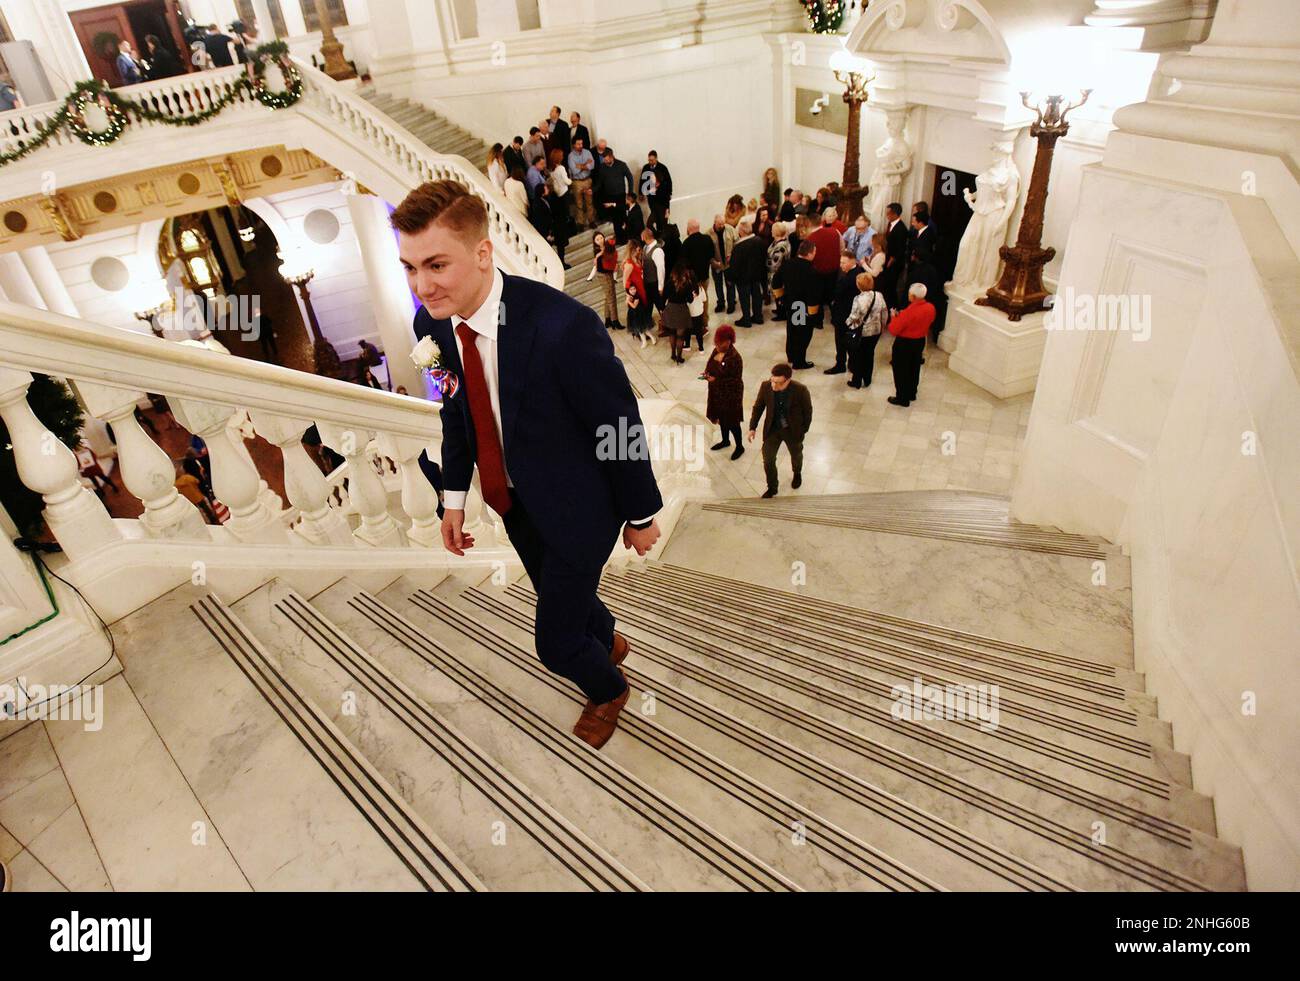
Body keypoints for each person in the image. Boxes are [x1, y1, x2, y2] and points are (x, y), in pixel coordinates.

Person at [397, 180, 662, 750]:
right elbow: (456, 412)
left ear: (483, 253)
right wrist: (453, 497)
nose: (422, 285)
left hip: (580, 507)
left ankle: (609, 686)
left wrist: (640, 513)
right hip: (513, 503)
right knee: (564, 596)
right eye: (411, 267)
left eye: (436, 264)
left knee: (556, 641)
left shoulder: (562, 327)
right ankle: (609, 639)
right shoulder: (432, 328)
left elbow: (617, 424)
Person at [748, 363, 812, 498]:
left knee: (796, 455)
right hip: (773, 429)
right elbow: (758, 407)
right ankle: (772, 487)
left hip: (792, 430)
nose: (774, 386)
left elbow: (808, 412)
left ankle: (797, 473)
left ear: (788, 380)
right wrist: (752, 427)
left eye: (779, 383)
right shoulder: (766, 386)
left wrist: (803, 430)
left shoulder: (800, 390)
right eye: (773, 381)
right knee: (768, 459)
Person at [772, 239, 819, 369]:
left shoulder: (787, 264)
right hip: (802, 307)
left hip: (790, 303)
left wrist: (781, 298)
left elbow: (776, 281)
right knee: (803, 334)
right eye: (814, 252)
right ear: (809, 254)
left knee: (791, 330)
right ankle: (799, 362)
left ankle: (791, 355)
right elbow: (813, 294)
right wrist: (812, 313)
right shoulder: (811, 271)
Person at [887, 283, 935, 406]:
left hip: (904, 343)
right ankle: (912, 392)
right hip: (919, 341)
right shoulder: (930, 307)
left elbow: (893, 330)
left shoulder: (909, 312)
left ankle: (902, 398)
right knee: (914, 367)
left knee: (901, 370)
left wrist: (894, 317)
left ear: (913, 296)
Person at [705, 324, 745, 459]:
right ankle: (725, 440)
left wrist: (715, 379)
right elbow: (709, 366)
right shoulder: (717, 351)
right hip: (717, 393)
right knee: (722, 419)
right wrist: (707, 374)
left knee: (732, 422)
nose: (716, 346)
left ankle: (740, 446)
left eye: (719, 343)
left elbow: (734, 381)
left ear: (728, 342)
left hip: (731, 395)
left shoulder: (734, 358)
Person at [845, 272, 889, 388]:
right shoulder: (878, 295)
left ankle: (856, 381)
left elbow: (854, 316)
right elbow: (884, 311)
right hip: (876, 331)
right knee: (869, 354)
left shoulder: (858, 299)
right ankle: (867, 379)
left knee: (858, 356)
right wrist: (883, 325)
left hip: (862, 332)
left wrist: (847, 323)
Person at [825, 249, 861, 376]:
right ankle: (850, 364)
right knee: (848, 341)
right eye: (841, 262)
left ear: (852, 261)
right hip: (847, 314)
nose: (841, 265)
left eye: (844, 263)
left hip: (844, 315)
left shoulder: (852, 277)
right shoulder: (854, 272)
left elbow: (839, 292)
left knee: (842, 342)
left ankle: (841, 364)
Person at [729, 219, 767, 328]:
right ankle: (758, 316)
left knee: (744, 299)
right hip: (757, 275)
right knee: (757, 296)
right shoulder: (760, 241)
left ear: (742, 232)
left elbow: (734, 265)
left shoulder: (739, 247)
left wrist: (731, 278)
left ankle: (746, 319)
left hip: (743, 278)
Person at [807, 209, 843, 322]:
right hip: (834, 269)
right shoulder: (835, 232)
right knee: (832, 294)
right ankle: (835, 318)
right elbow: (842, 248)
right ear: (821, 221)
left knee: (818, 296)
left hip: (817, 270)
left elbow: (808, 257)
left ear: (809, 223)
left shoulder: (810, 238)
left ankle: (818, 320)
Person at [595, 149, 634, 243]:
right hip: (610, 196)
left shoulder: (621, 165)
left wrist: (630, 193)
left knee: (623, 217)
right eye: (604, 159)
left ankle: (626, 238)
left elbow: (630, 178)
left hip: (620, 195)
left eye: (606, 159)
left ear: (611, 157)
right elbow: (599, 183)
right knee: (615, 219)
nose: (605, 161)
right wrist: (592, 190)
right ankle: (619, 238)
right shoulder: (602, 167)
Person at [662, 261, 697, 364]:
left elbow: (663, 297)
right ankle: (679, 357)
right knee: (680, 336)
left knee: (672, 333)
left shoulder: (668, 283)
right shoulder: (687, 284)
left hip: (671, 309)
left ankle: (673, 354)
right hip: (682, 310)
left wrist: (663, 308)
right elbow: (690, 300)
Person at [623, 239, 656, 348]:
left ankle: (645, 333)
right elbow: (625, 280)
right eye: (638, 250)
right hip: (635, 291)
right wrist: (628, 295)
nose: (640, 251)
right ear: (633, 250)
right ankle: (641, 333)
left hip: (641, 288)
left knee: (643, 311)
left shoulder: (636, 259)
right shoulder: (629, 264)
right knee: (638, 314)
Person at [589, 232, 622, 329]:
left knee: (608, 297)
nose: (600, 240)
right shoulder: (597, 251)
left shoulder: (607, 246)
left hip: (609, 273)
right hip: (603, 275)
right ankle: (615, 321)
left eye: (601, 237)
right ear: (595, 242)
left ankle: (608, 319)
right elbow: (599, 261)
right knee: (611, 297)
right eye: (597, 239)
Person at [680, 218, 714, 309]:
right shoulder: (707, 239)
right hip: (705, 275)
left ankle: (697, 319)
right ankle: (705, 319)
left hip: (692, 278)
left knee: (694, 299)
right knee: (704, 297)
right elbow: (711, 256)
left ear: (688, 229)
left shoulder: (686, 243)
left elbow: (684, 262)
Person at [880, 202, 909, 310]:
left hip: (894, 263)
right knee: (887, 285)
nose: (887, 216)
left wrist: (891, 260)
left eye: (888, 213)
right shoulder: (891, 224)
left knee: (891, 286)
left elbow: (900, 248)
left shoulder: (901, 229)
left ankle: (893, 307)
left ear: (895, 214)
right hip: (888, 259)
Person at [708, 214, 737, 314]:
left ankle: (731, 304)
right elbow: (707, 251)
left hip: (729, 264)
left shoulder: (730, 229)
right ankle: (720, 303)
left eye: (723, 224)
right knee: (718, 284)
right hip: (716, 264)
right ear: (715, 223)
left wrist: (732, 254)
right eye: (719, 224)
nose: (721, 226)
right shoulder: (708, 234)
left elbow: (736, 242)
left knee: (730, 284)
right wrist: (713, 262)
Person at [567, 137, 595, 228]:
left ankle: (591, 221)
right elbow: (574, 171)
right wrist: (586, 164)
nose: (581, 146)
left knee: (589, 202)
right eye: (578, 144)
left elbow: (592, 166)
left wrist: (580, 166)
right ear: (574, 145)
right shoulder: (571, 156)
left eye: (581, 144)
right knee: (578, 203)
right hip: (577, 182)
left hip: (587, 180)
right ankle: (581, 223)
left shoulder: (587, 152)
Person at [640, 150, 672, 226]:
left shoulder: (662, 168)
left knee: (662, 218)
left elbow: (669, 181)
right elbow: (642, 180)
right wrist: (641, 192)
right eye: (649, 160)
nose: (650, 162)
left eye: (652, 160)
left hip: (661, 196)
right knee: (654, 214)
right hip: (651, 196)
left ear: (656, 159)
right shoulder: (646, 167)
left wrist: (669, 192)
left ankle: (661, 231)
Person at [767, 222, 791, 321]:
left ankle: (782, 314)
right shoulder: (777, 242)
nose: (771, 231)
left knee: (779, 293)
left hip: (778, 274)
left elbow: (774, 262)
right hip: (775, 273)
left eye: (772, 230)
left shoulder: (781, 246)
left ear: (776, 232)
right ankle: (779, 309)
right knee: (777, 294)